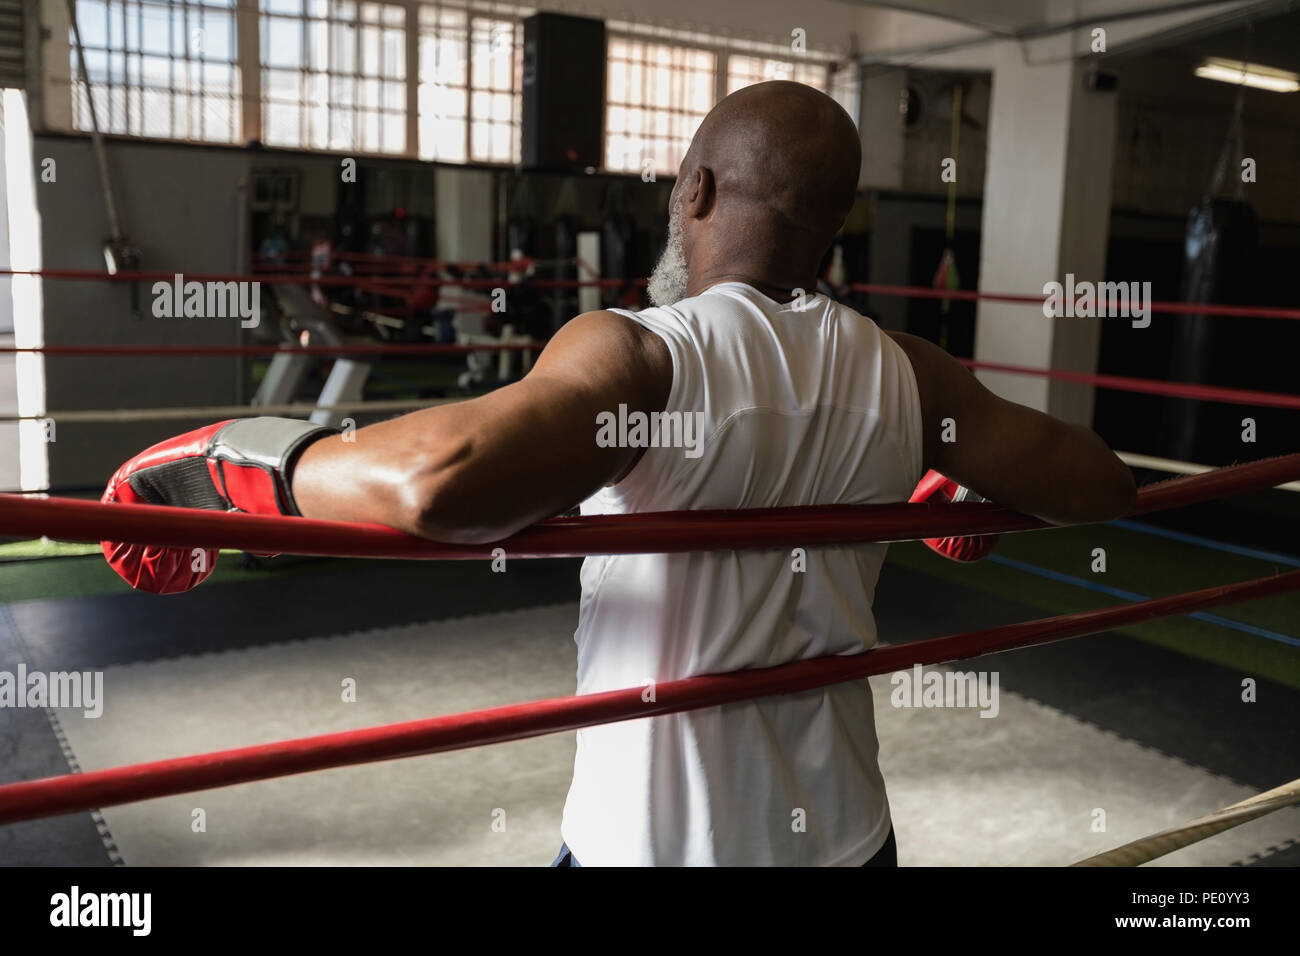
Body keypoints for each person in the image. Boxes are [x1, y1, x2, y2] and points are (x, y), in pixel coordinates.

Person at [100, 81, 1137, 866]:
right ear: (831, 227)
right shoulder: (905, 372)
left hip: (654, 843)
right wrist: (964, 482)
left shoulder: (649, 352)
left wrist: (238, 463)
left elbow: (441, 480)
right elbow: (1099, 481)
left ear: (696, 189)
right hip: (849, 839)